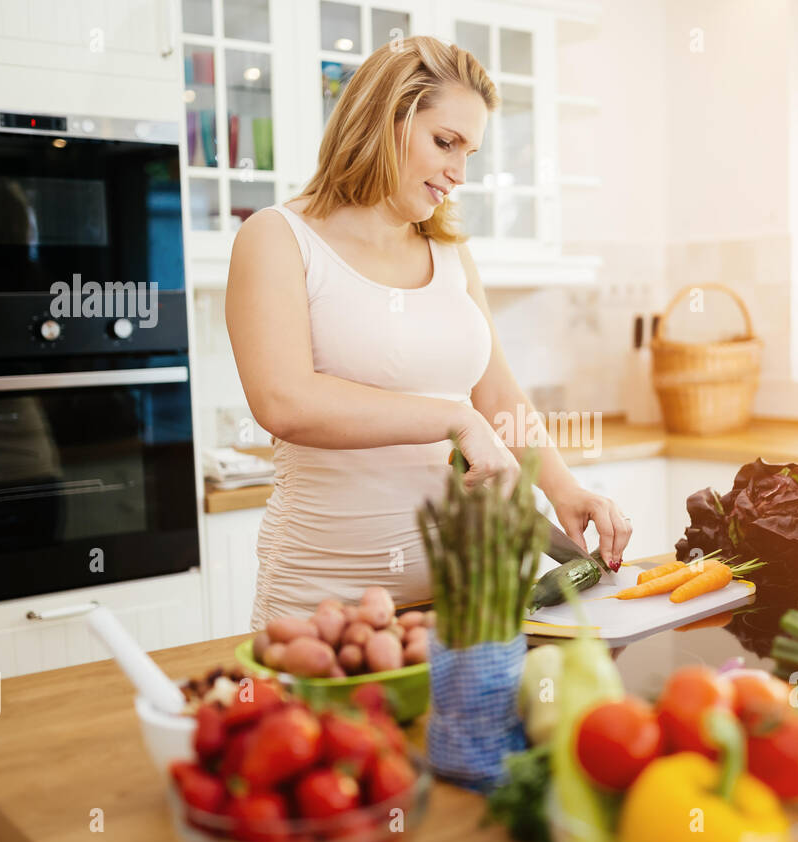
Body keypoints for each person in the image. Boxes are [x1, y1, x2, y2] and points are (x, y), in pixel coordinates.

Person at [227, 36, 631, 628]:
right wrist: (452, 418)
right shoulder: (277, 237)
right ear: (381, 121)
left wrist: (565, 489)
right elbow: (284, 400)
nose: (459, 172)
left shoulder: (449, 253)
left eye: (469, 152)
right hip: (324, 609)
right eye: (446, 143)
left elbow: (496, 396)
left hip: (461, 604)